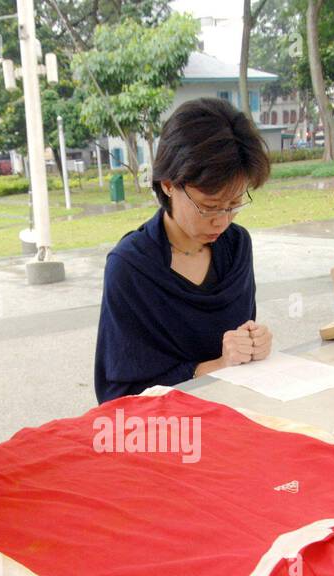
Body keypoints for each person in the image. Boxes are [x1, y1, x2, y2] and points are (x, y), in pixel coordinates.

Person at [94, 97, 273, 403]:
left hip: (235, 410)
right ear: (167, 184)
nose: (222, 221)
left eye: (234, 205)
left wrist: (254, 343)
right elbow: (120, 392)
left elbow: (239, 346)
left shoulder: (237, 247)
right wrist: (215, 366)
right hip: (165, 430)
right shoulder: (131, 267)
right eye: (208, 207)